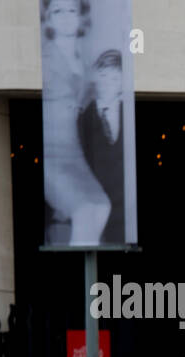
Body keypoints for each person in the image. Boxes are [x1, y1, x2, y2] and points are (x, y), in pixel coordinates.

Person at [40, 0, 111, 245]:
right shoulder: (44, 59)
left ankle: (85, 269)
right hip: (50, 152)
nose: (65, 16)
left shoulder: (85, 61)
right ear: (48, 18)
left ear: (82, 17)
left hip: (74, 153)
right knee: (82, 210)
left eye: (72, 10)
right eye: (58, 11)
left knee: (101, 206)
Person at [76, 48, 125, 245]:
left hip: (124, 212)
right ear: (96, 78)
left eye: (114, 78)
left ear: (122, 82)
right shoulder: (84, 118)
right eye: (103, 76)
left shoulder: (128, 115)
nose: (108, 84)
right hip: (94, 207)